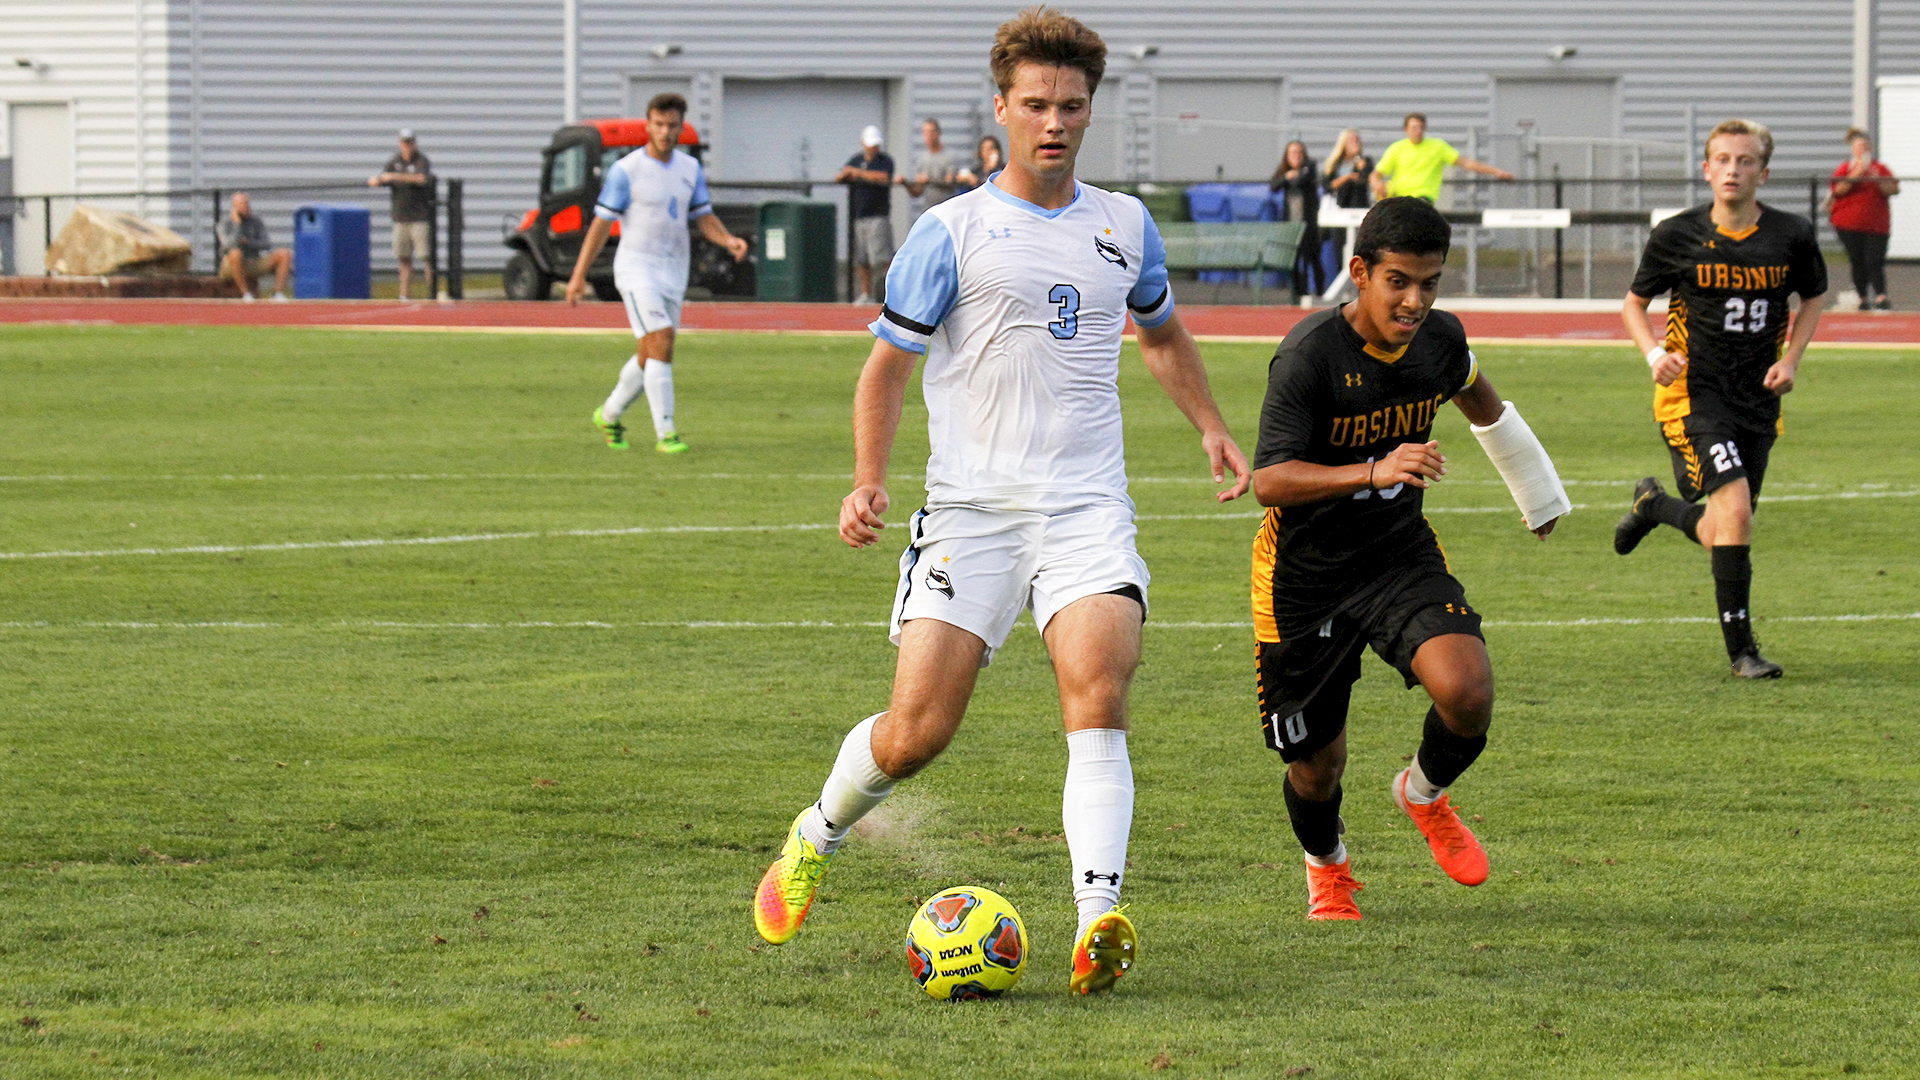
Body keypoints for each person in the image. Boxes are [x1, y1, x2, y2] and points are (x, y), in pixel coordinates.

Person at [753, 8, 1252, 996]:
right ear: (1002, 108)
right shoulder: (950, 234)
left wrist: (1207, 422)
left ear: (1089, 108)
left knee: (1097, 692)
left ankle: (1097, 920)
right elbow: (884, 373)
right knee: (916, 734)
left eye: (1071, 105)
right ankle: (817, 833)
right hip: (970, 516)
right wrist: (868, 480)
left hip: (1085, 512)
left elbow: (1160, 335)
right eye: (1036, 105)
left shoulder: (1124, 226)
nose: (1054, 122)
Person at [1251, 196, 1568, 921]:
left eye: (1430, 283)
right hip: (1305, 579)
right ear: (1359, 272)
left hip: (1398, 557)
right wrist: (1373, 470)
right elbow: (1270, 480)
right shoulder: (1309, 357)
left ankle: (1422, 795)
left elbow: (1483, 402)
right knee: (1316, 768)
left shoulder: (1440, 341)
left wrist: (1538, 494)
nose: (1415, 300)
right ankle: (1327, 867)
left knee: (1468, 692)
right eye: (1399, 281)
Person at [1613, 119, 1828, 679]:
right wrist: (1654, 354)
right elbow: (1633, 305)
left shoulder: (1791, 234)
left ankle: (1652, 506)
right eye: (1723, 160)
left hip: (1757, 400)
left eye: (1746, 160)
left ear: (1764, 171)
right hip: (1693, 398)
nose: (1734, 169)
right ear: (1707, 170)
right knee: (1733, 514)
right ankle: (1743, 652)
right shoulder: (1677, 235)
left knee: (1725, 527)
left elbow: (1814, 297)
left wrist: (1791, 359)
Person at [570, 93, 749, 454]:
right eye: (658, 124)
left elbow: (703, 216)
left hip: (673, 270)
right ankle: (666, 432)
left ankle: (609, 413)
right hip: (636, 268)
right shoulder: (627, 171)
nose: (665, 132)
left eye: (672, 125)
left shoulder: (689, 170)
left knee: (649, 351)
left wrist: (727, 239)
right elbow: (600, 226)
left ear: (681, 127)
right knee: (663, 339)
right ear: (648, 125)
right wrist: (578, 275)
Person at [1829, 127, 1899, 310]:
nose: (1863, 151)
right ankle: (1862, 297)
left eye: (1865, 147)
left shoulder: (1881, 168)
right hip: (1849, 224)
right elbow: (1838, 190)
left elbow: (1893, 189)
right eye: (1859, 147)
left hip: (1877, 225)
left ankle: (1881, 296)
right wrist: (1856, 175)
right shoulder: (1846, 168)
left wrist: (1878, 179)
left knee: (1874, 260)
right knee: (1857, 260)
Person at [1371, 113, 1511, 203]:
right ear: (1406, 130)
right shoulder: (1397, 148)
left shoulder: (1437, 146)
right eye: (1414, 128)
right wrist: (1377, 183)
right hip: (1399, 197)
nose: (1418, 131)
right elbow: (1376, 173)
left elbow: (1466, 162)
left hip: (1423, 197)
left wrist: (1496, 172)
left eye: (1421, 128)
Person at [367, 129, 435, 300]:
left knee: (426, 257)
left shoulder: (421, 160)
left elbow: (421, 178)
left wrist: (395, 176)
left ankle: (432, 293)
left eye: (410, 142)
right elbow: (383, 178)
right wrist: (377, 180)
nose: (407, 146)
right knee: (403, 258)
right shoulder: (394, 162)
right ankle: (404, 294)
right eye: (404, 143)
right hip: (400, 217)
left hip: (419, 217)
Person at [836, 125, 895, 306]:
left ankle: (892, 294)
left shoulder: (885, 160)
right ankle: (865, 293)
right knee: (862, 259)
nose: (874, 148)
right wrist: (847, 173)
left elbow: (883, 176)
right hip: (859, 215)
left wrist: (859, 173)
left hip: (878, 215)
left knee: (883, 257)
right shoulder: (856, 159)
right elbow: (840, 175)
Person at [1269, 139, 1323, 296]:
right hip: (1292, 225)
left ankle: (1318, 292)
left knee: (1312, 260)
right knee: (1294, 261)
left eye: (1299, 153)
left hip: (1309, 224)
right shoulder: (1285, 172)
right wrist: (1286, 176)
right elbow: (1273, 185)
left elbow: (1303, 180)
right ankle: (1297, 293)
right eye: (1293, 153)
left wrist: (1295, 175)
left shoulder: (1310, 167)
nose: (1297, 156)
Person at [216, 192, 291, 302]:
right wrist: (237, 225)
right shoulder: (225, 223)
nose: (245, 207)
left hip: (252, 261)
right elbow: (226, 245)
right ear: (234, 207)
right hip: (232, 264)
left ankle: (277, 293)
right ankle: (245, 294)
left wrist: (249, 243)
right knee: (235, 253)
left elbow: (266, 244)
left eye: (246, 204)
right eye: (241, 205)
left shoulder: (256, 221)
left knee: (284, 254)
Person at [897, 118, 961, 218]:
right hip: (929, 211)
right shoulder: (922, 159)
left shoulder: (949, 156)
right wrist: (905, 183)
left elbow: (950, 183)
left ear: (938, 133)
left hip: (947, 210)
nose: (928, 136)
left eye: (931, 132)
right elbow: (917, 192)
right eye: (925, 132)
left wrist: (930, 180)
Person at [1321, 128, 1373, 248]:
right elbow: (1327, 186)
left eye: (1357, 140)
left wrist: (1362, 168)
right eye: (1351, 140)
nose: (1355, 143)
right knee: (1339, 244)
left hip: (1358, 205)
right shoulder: (1335, 164)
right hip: (1339, 206)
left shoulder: (1365, 161)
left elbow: (1366, 179)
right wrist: (1346, 178)